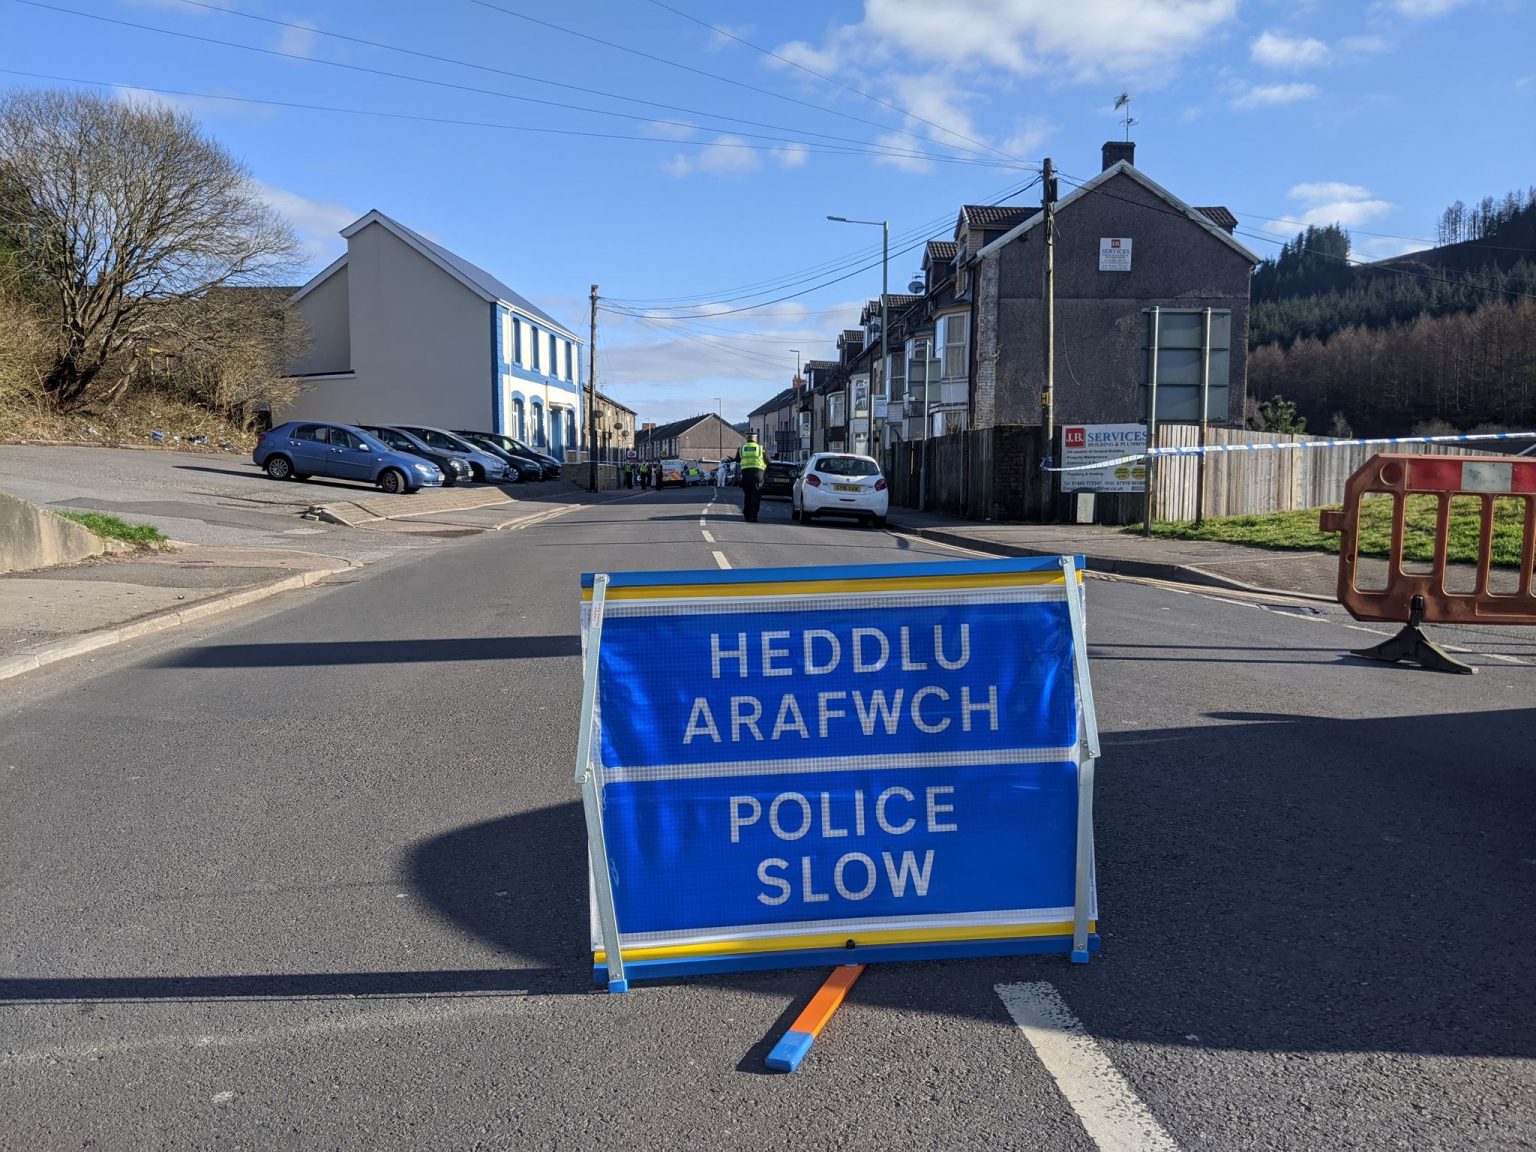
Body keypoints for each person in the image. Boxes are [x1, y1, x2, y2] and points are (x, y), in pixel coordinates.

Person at [735, 431, 767, 522]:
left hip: (746, 475)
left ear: (747, 438)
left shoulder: (741, 448)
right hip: (758, 475)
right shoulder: (760, 448)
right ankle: (753, 516)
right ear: (755, 438)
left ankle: (747, 516)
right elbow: (768, 460)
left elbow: (737, 460)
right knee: (755, 496)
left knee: (747, 495)